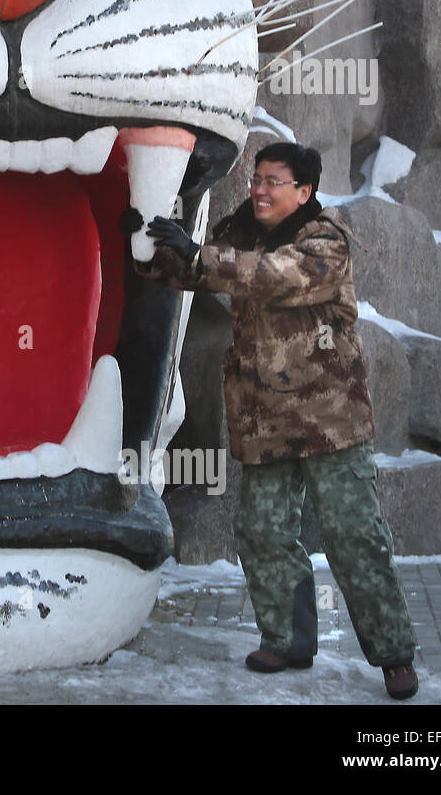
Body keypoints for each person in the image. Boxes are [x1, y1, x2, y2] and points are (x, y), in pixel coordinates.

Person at [123, 141, 419, 700]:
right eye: (256, 178)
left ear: (304, 192)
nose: (258, 188)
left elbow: (272, 276)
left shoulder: (325, 241)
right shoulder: (240, 234)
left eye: (273, 181)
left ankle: (394, 654)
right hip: (263, 417)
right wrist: (144, 243)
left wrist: (200, 256)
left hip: (329, 421)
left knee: (354, 535)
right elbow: (190, 269)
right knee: (262, 533)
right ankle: (286, 640)